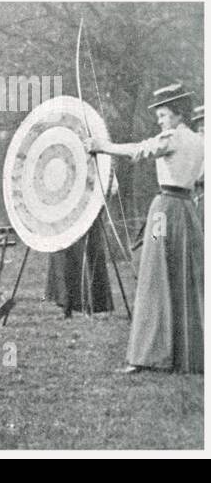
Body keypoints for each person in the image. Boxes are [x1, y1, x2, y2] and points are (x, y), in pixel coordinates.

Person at [86, 83, 203, 373]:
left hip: (164, 212)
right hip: (187, 212)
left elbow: (140, 151)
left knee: (152, 271)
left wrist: (102, 147)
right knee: (183, 277)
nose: (160, 121)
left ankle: (147, 355)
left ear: (177, 115)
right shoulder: (200, 141)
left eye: (163, 115)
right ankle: (186, 353)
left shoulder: (173, 137)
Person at [44, 221, 113, 317]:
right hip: (62, 223)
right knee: (62, 262)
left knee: (85, 258)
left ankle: (89, 306)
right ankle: (65, 307)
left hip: (85, 220)